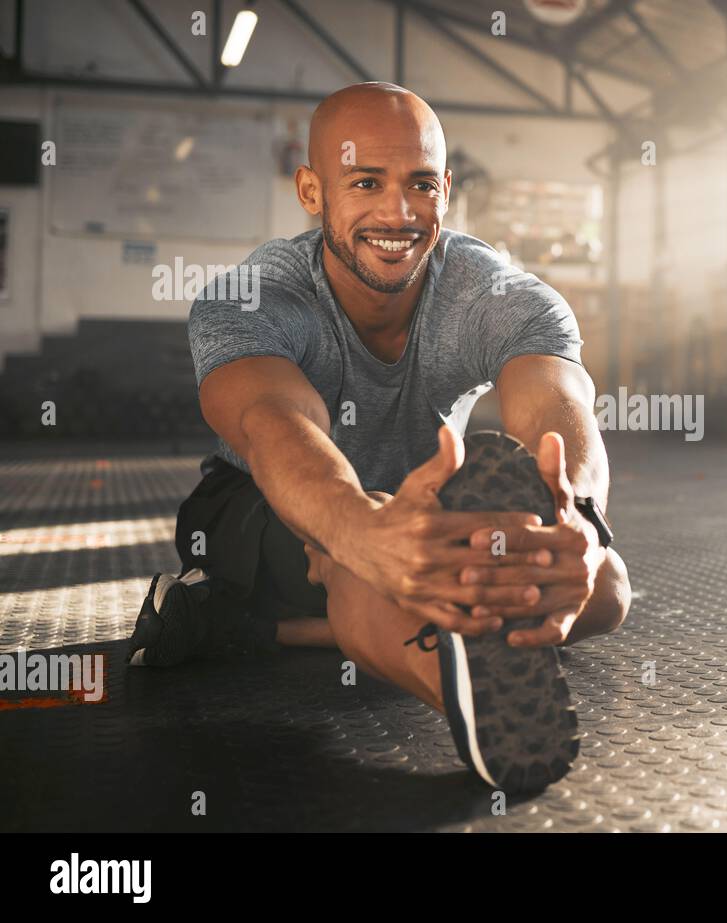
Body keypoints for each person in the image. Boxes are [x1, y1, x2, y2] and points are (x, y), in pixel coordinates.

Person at [127, 82, 631, 793]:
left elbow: (556, 397)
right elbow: (273, 425)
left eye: (420, 184)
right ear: (312, 189)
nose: (398, 212)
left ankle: (241, 627)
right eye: (366, 182)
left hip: (422, 507)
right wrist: (360, 528)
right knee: (355, 564)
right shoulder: (253, 297)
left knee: (606, 587)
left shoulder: (493, 293)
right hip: (267, 507)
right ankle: (466, 693)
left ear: (445, 191)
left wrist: (574, 519)